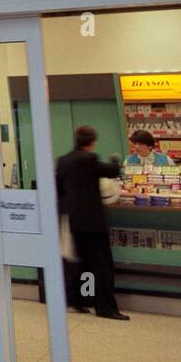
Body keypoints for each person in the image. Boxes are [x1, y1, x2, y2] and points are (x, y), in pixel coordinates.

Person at [56, 125, 128, 321]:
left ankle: (77, 301)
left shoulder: (63, 160)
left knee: (82, 263)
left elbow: (58, 187)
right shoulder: (89, 159)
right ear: (92, 142)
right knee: (102, 265)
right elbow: (112, 171)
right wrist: (115, 160)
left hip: (74, 222)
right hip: (93, 223)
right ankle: (105, 307)